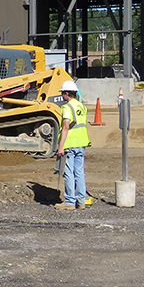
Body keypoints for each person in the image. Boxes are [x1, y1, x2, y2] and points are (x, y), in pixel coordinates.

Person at [56, 79, 90, 210]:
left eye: (62, 93)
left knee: (68, 172)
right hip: (82, 142)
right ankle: (81, 201)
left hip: (70, 143)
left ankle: (70, 201)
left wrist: (60, 146)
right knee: (79, 172)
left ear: (66, 94)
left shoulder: (67, 107)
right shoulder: (82, 106)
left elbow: (65, 127)